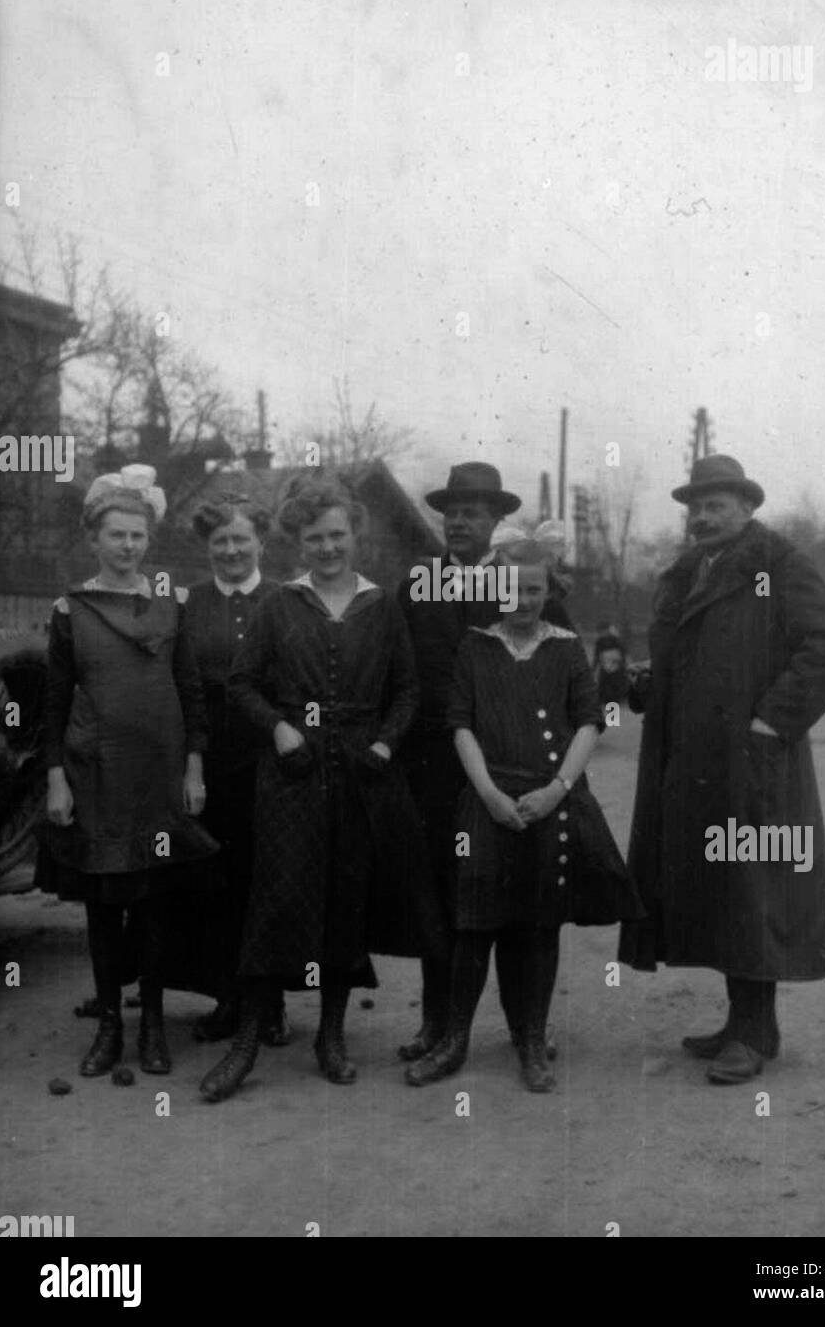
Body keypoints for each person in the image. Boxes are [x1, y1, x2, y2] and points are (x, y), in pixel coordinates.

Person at [198, 476, 442, 1102]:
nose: (327, 547)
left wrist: (385, 743)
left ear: (354, 535)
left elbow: (408, 690)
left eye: (336, 535)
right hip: (291, 775)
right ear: (298, 544)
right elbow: (241, 684)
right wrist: (280, 728)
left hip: (360, 775)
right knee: (274, 901)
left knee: (344, 901)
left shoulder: (381, 606)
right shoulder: (280, 604)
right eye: (314, 538)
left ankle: (329, 1038)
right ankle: (247, 1041)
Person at [618, 455, 825, 1084]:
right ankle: (740, 1022)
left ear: (748, 507)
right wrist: (649, 683)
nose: (700, 516)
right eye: (694, 506)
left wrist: (770, 724)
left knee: (754, 889)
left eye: (715, 504)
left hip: (753, 762)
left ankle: (756, 1033)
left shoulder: (780, 565)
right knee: (721, 890)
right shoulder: (688, 573)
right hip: (692, 765)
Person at [405, 526, 643, 1093]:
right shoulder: (475, 646)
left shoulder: (564, 648)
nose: (523, 601)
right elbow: (459, 724)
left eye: (534, 590)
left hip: (549, 801)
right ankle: (453, 1039)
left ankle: (531, 1041)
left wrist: (557, 790)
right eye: (511, 589)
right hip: (486, 799)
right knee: (474, 923)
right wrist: (487, 794)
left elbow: (590, 721)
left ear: (547, 590)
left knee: (538, 925)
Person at [41, 465, 218, 1078]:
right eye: (116, 535)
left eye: (138, 536)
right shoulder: (71, 610)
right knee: (103, 900)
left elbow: (190, 690)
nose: (128, 546)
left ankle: (152, 1027)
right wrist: (56, 777)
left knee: (154, 900)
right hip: (96, 775)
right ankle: (110, 1025)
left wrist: (193, 767)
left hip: (159, 775)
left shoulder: (172, 604)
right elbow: (54, 702)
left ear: (150, 540)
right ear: (94, 538)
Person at [396, 462, 572, 1063]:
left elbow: (566, 670)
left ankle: (528, 1027)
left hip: (514, 767)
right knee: (443, 896)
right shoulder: (418, 582)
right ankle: (438, 1024)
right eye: (451, 512)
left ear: (498, 520)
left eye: (474, 512)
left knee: (521, 897)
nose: (459, 522)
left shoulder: (523, 581)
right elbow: (399, 668)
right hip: (434, 769)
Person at [169, 494, 289, 1046]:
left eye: (241, 538)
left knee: (271, 880)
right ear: (207, 548)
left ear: (261, 542)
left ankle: (271, 1004)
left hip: (274, 761)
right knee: (217, 885)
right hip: (210, 763)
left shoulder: (286, 601)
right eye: (220, 541)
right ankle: (228, 999)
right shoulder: (186, 604)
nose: (232, 550)